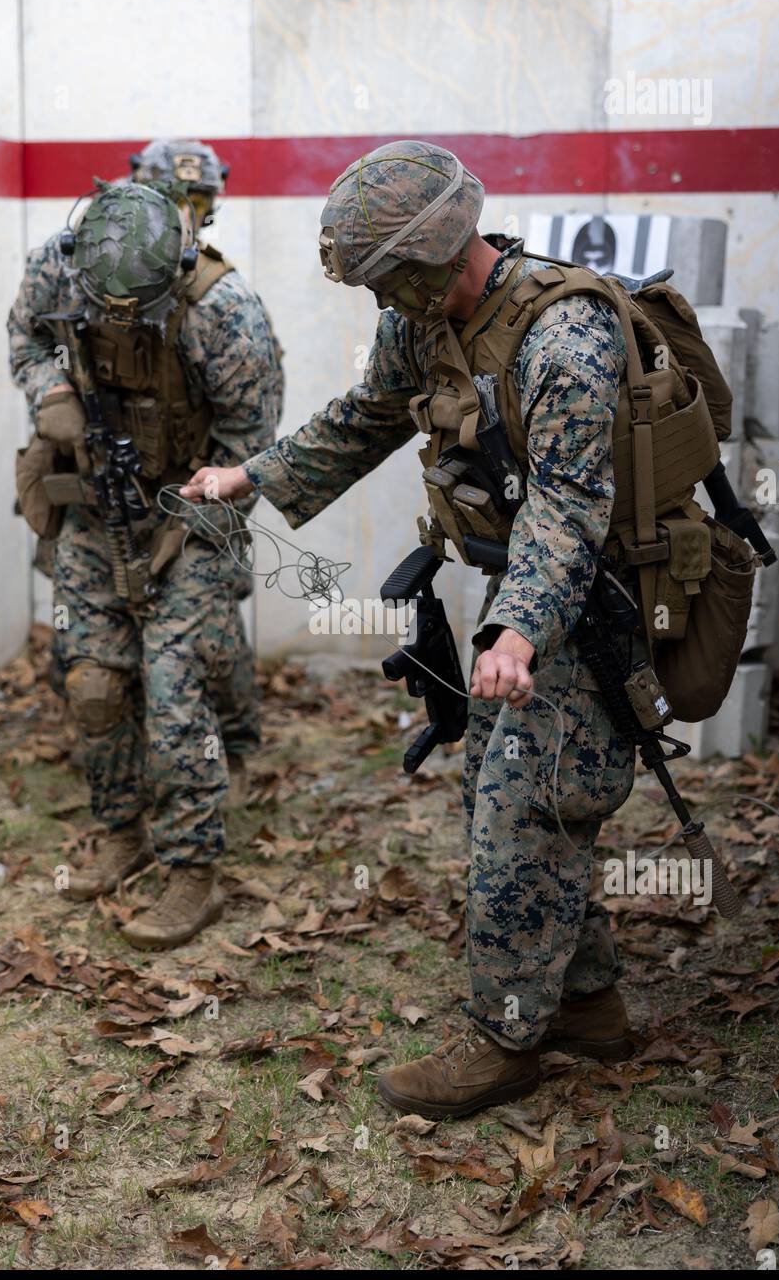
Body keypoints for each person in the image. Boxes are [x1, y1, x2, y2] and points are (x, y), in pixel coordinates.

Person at [179, 139, 641, 1115]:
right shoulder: (425, 322)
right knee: (508, 789)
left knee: (522, 810)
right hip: (521, 596)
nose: (380, 299)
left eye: (389, 277)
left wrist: (515, 633)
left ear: (434, 255)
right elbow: (362, 418)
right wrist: (249, 475)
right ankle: (590, 1005)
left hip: (595, 602)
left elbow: (568, 517)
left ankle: (505, 1035)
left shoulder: (566, 342)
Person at [9, 178, 283, 949]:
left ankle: (193, 868)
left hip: (191, 509)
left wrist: (193, 518)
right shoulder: (56, 269)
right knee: (93, 678)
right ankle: (121, 828)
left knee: (171, 684)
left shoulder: (226, 314)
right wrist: (51, 391)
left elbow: (252, 447)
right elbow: (24, 338)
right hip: (95, 505)